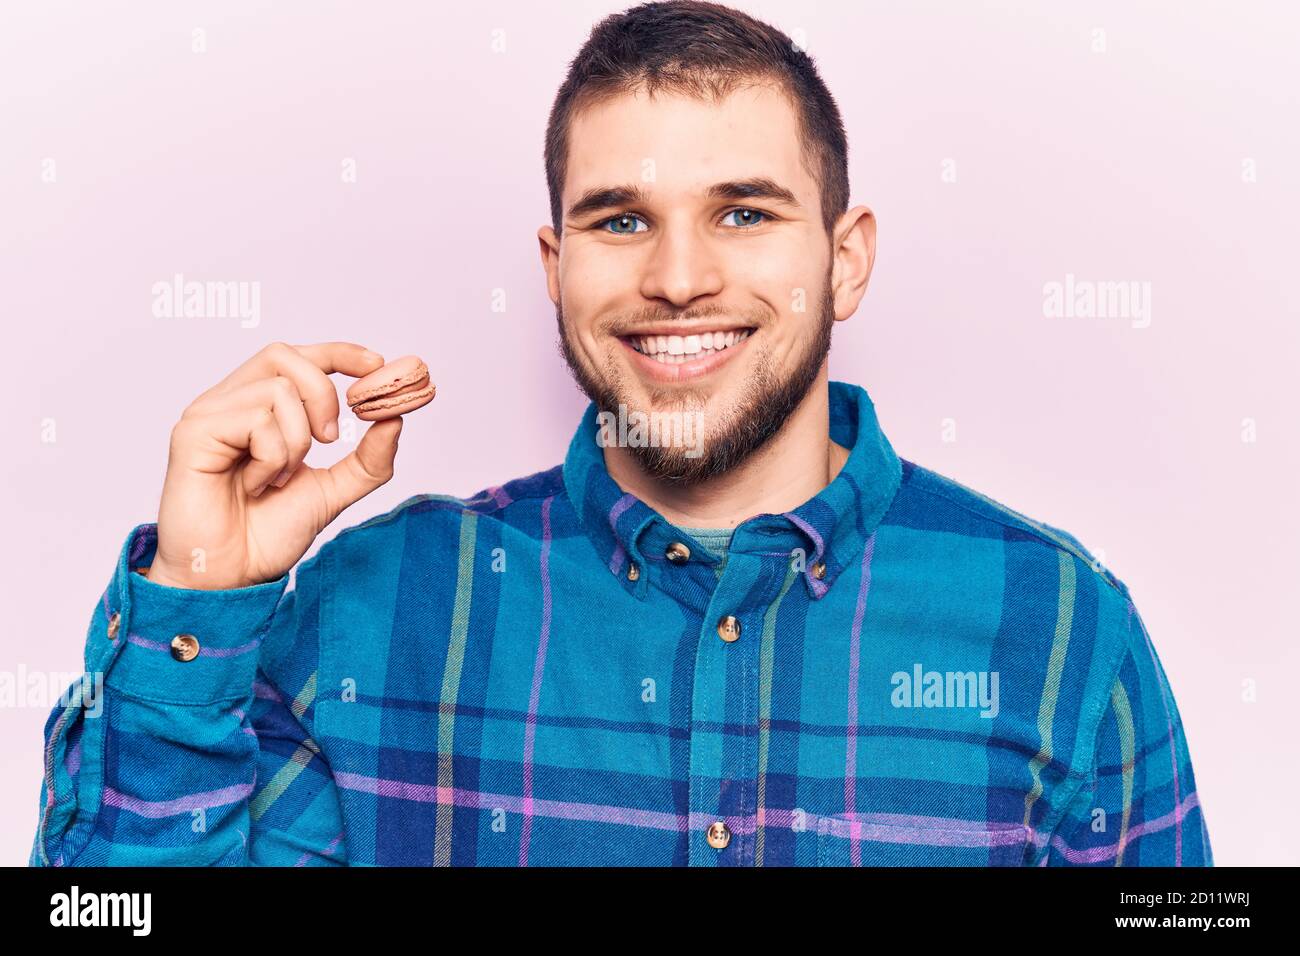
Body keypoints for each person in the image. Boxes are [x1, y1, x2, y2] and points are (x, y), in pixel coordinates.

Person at [31, 0, 1211, 867]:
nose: (679, 277)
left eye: (742, 212)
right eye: (619, 218)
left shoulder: (1060, 624)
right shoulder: (373, 608)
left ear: (843, 259)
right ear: (556, 267)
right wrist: (197, 594)